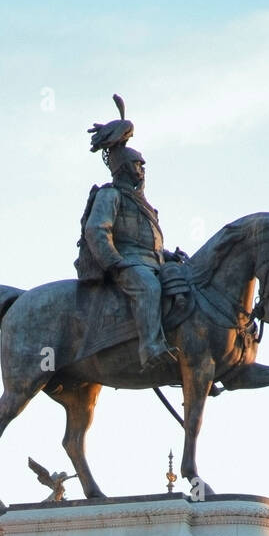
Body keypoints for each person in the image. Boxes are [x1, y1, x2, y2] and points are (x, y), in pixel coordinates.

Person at [78, 99, 179, 372]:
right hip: (126, 264)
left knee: (187, 285)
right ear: (124, 167)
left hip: (153, 263)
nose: (142, 170)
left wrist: (168, 256)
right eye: (138, 164)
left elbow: (147, 242)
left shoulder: (145, 204)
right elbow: (96, 229)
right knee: (148, 287)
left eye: (143, 165)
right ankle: (151, 348)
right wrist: (114, 261)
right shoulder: (109, 195)